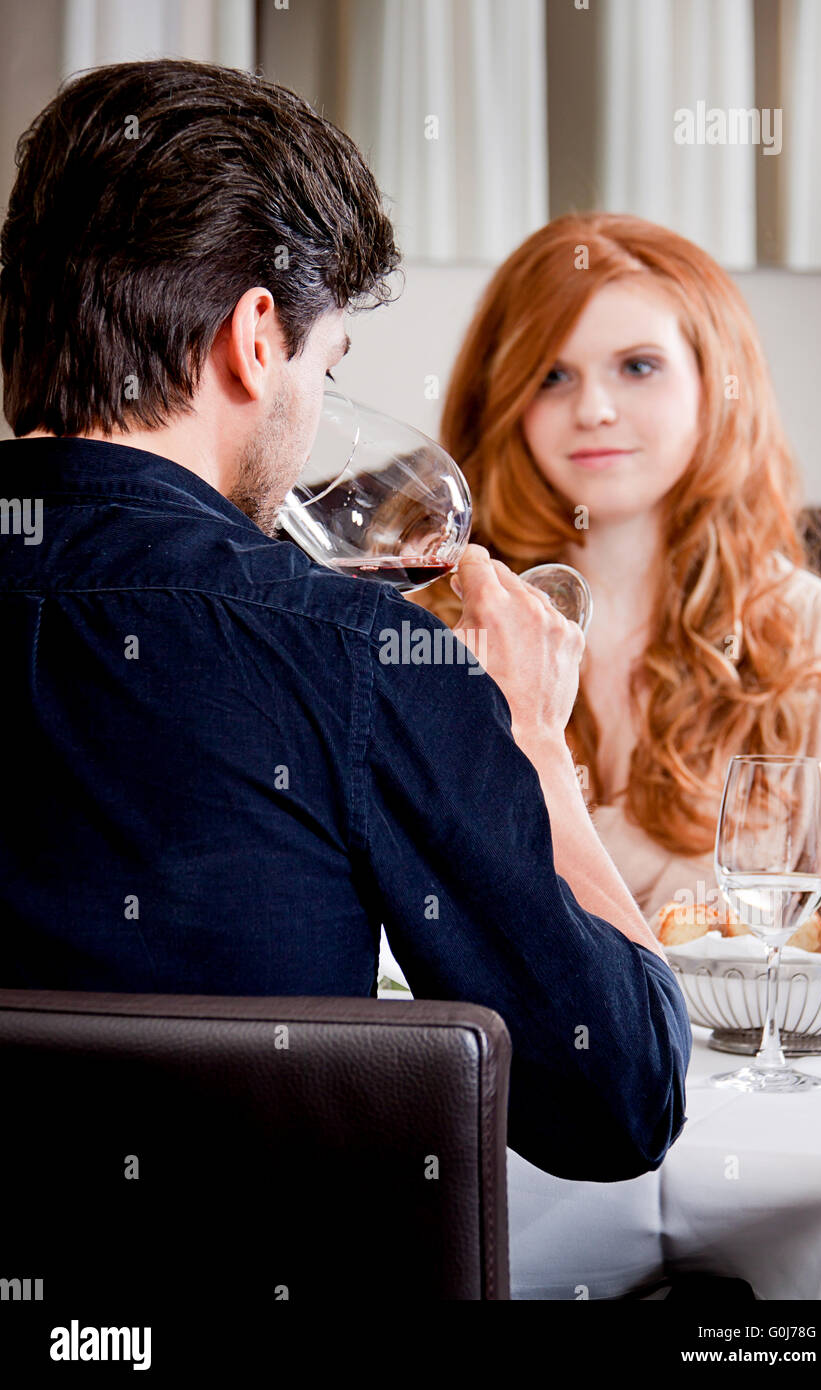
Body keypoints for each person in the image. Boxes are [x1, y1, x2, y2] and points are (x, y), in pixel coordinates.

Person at [0, 60, 690, 1183]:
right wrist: (531, 742)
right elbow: (619, 1098)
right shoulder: (354, 654)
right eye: (328, 363)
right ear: (256, 336)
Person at [412, 212, 821, 927]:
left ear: (718, 382)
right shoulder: (432, 636)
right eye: (553, 375)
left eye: (638, 366)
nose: (593, 409)